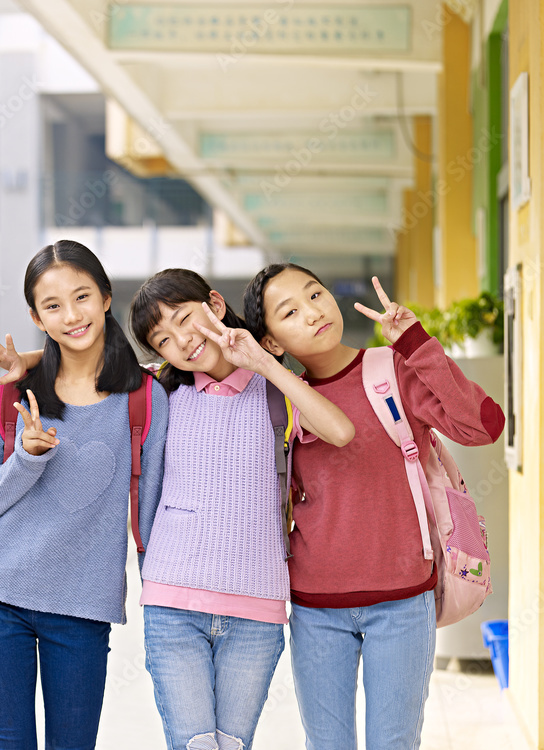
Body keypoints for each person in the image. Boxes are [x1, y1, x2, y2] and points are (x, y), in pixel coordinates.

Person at [243, 265, 505, 750]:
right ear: (272, 342)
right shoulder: (277, 400)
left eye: (316, 293)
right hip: (316, 606)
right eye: (291, 312)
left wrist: (417, 346)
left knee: (394, 744)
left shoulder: (392, 369)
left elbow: (483, 426)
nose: (314, 311)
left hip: (403, 600)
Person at [128, 268, 354, 750]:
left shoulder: (280, 392)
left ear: (214, 302)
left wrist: (263, 363)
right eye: (163, 339)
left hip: (257, 607)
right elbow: (88, 372)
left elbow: (340, 432)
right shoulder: (159, 395)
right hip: (173, 603)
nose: (181, 342)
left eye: (185, 319)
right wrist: (21, 366)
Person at [0, 239, 169, 750]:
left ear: (105, 296)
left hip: (83, 607)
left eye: (81, 297)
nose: (71, 315)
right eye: (52, 305)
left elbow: (153, 510)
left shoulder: (145, 399)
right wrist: (27, 460)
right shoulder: (11, 392)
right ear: (36, 315)